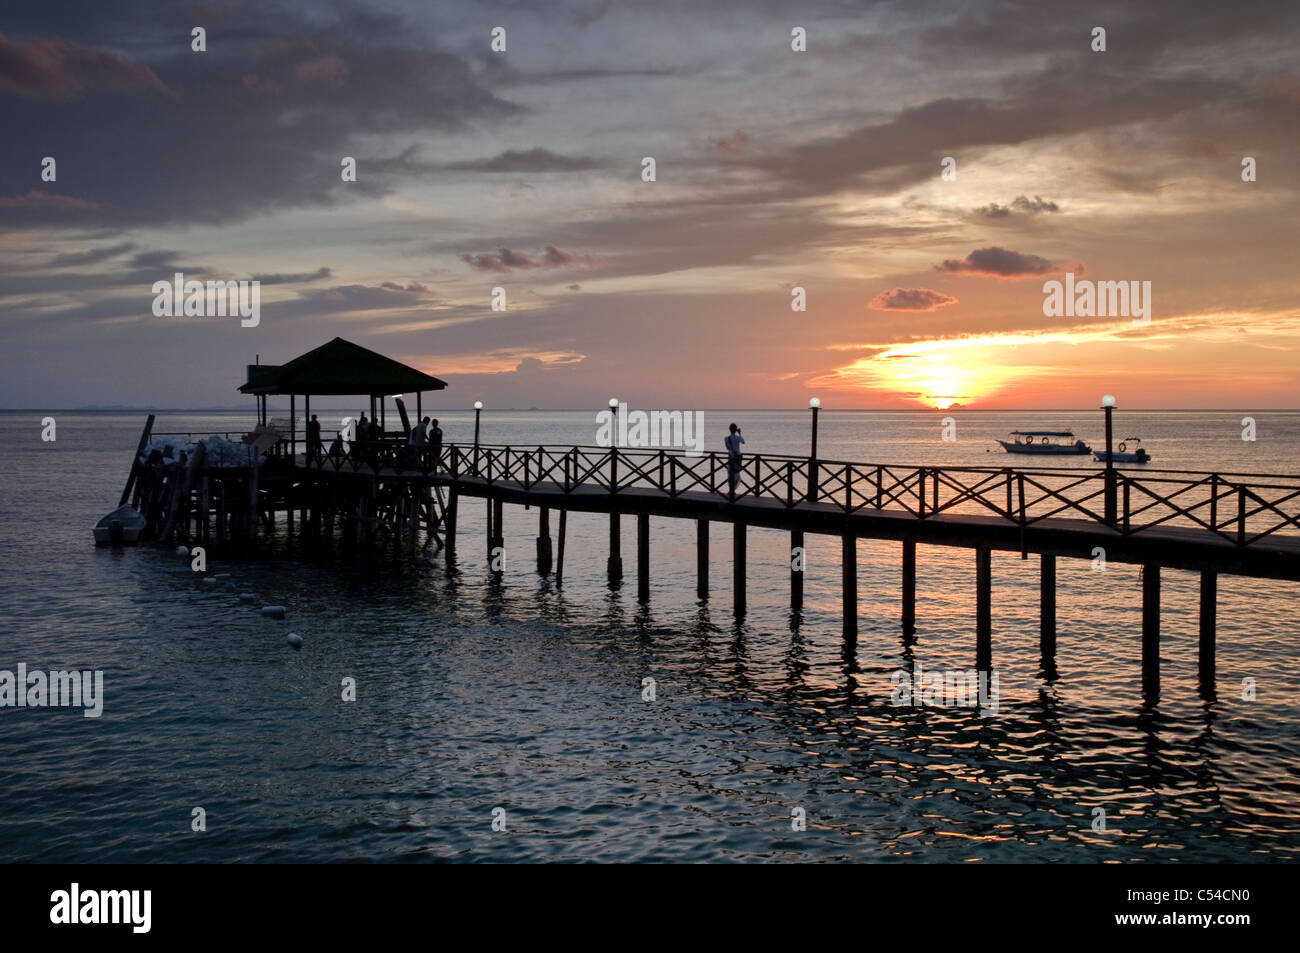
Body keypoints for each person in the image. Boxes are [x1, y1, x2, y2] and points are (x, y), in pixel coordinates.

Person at [724, 422, 744, 499]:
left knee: (730, 473)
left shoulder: (726, 438)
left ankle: (731, 490)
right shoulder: (738, 437)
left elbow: (728, 448)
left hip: (731, 457)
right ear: (736, 430)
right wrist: (740, 433)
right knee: (736, 473)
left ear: (729, 429)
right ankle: (733, 489)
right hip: (738, 457)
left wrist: (732, 455)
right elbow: (743, 441)